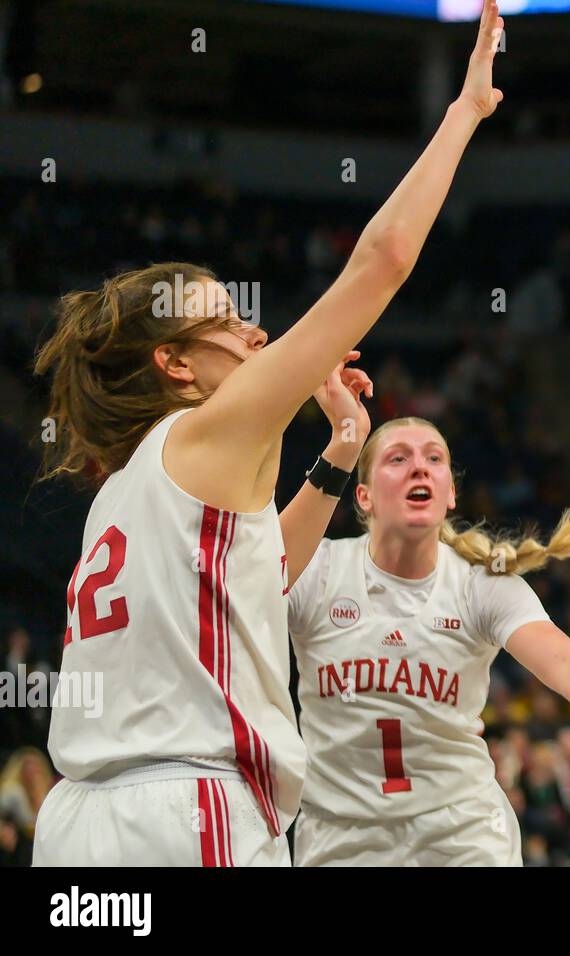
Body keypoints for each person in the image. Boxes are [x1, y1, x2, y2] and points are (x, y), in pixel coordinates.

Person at [29, 0, 507, 866]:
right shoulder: (210, 431)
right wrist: (464, 111)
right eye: (230, 321)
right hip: (189, 806)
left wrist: (336, 458)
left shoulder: (128, 489)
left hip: (77, 828)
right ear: (176, 364)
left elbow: (255, 581)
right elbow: (383, 260)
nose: (258, 334)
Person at [286, 417, 570, 866]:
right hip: (340, 836)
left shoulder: (482, 584)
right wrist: (341, 437)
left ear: (450, 493)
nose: (419, 467)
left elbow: (569, 667)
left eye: (433, 458)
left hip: (462, 832)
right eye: (398, 458)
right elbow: (240, 586)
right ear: (363, 496)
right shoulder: (317, 570)